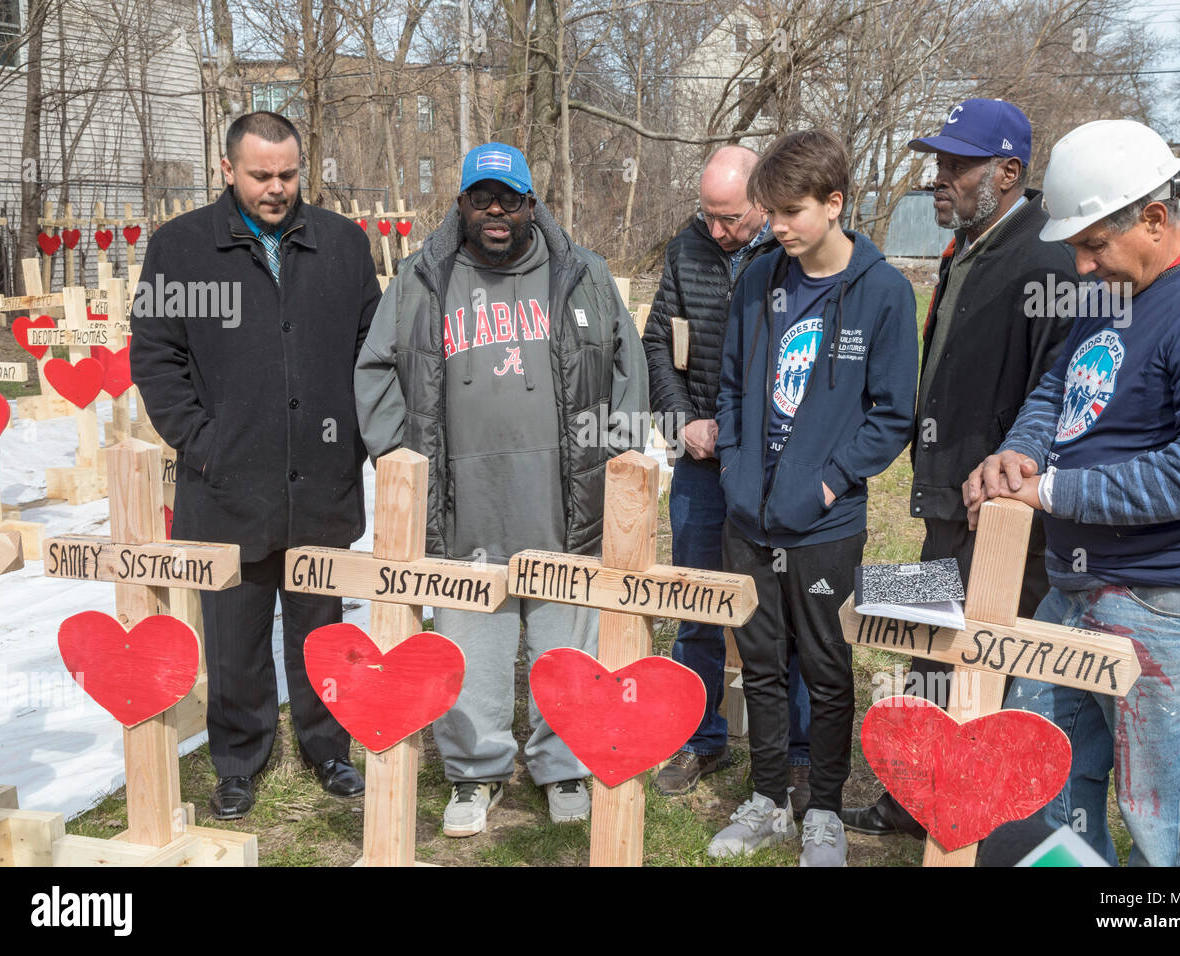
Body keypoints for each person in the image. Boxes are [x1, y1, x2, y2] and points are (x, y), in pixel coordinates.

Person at [965, 119, 1180, 866]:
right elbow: (1059, 385)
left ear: (1155, 219)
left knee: (1160, 818)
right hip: (1083, 584)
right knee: (1036, 775)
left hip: (1178, 596)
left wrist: (1052, 490)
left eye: (1093, 245)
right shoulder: (1115, 289)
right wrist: (1019, 451)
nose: (1079, 267)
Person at [354, 142, 648, 837]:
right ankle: (475, 772)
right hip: (464, 502)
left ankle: (564, 764)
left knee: (564, 636)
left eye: (509, 199)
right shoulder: (424, 280)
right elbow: (375, 372)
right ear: (460, 203)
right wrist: (402, 460)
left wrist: (618, 459)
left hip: (563, 499)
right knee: (469, 639)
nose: (495, 210)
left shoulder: (583, 276)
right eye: (481, 197)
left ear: (531, 205)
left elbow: (628, 371)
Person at [131, 111, 381, 819]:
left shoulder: (342, 244)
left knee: (320, 623)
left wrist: (352, 440)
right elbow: (155, 355)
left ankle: (327, 746)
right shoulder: (180, 250)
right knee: (234, 631)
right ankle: (239, 758)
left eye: (288, 174)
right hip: (225, 482)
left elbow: (372, 350)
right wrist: (203, 441)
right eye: (261, 175)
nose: (276, 188)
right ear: (227, 170)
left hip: (322, 478)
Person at [841, 98, 1078, 839]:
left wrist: (1012, 484)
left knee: (982, 665)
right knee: (926, 642)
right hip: (947, 501)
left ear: (1008, 172)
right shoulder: (970, 245)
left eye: (957, 165)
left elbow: (1058, 391)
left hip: (1002, 517)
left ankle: (975, 823)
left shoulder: (1047, 258)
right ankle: (910, 802)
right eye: (939, 162)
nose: (939, 178)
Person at [709, 130, 917, 866]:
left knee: (826, 669)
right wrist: (737, 471)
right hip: (750, 514)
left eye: (792, 211)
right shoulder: (761, 278)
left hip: (827, 522)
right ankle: (768, 800)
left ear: (834, 204)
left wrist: (829, 483)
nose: (778, 227)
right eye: (770, 212)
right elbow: (732, 387)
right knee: (760, 665)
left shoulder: (884, 291)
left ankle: (823, 809)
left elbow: (892, 415)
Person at [641, 145, 816, 812]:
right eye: (708, 217)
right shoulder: (688, 250)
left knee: (791, 611)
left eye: (732, 219)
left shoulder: (800, 252)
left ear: (765, 204)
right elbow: (660, 340)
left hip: (778, 466)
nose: (718, 231)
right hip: (704, 465)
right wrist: (682, 419)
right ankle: (699, 735)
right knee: (696, 603)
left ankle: (796, 753)